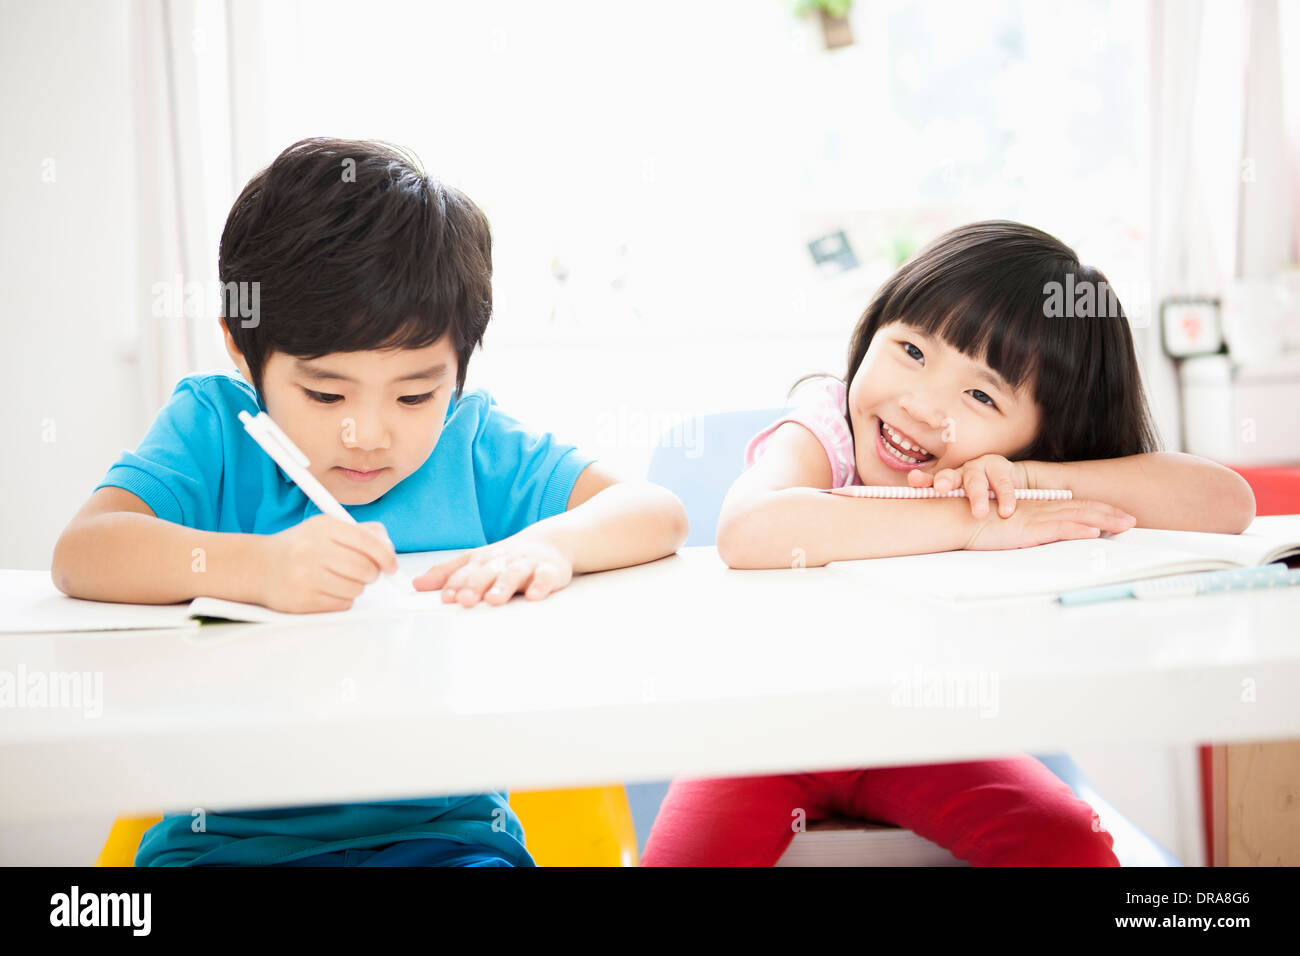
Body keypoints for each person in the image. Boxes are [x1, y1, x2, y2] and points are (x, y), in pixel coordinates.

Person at [51, 137, 689, 866]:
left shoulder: (470, 444)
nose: (368, 434)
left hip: (446, 838)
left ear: (460, 365)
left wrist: (550, 543)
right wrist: (256, 570)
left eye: (416, 393)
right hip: (225, 842)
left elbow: (657, 510)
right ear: (239, 347)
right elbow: (84, 552)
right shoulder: (215, 432)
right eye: (325, 394)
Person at [641, 220, 1255, 866]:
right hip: (769, 735)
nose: (921, 404)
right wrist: (969, 522)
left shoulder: (1008, 479)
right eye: (912, 351)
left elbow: (1227, 503)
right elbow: (748, 530)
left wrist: (1026, 480)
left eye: (981, 394)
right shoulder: (825, 425)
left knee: (1068, 846)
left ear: (1038, 438)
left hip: (928, 738)